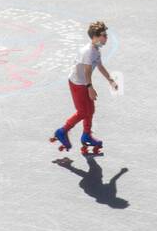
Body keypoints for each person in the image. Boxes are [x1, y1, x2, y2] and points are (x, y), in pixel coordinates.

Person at [50, 21, 118, 153]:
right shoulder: (88, 52)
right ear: (95, 37)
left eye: (106, 35)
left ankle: (86, 135)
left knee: (90, 110)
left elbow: (100, 66)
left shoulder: (96, 51)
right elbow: (87, 71)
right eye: (104, 35)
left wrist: (111, 80)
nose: (106, 38)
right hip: (77, 84)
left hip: (84, 83)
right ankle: (62, 131)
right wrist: (90, 88)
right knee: (82, 112)